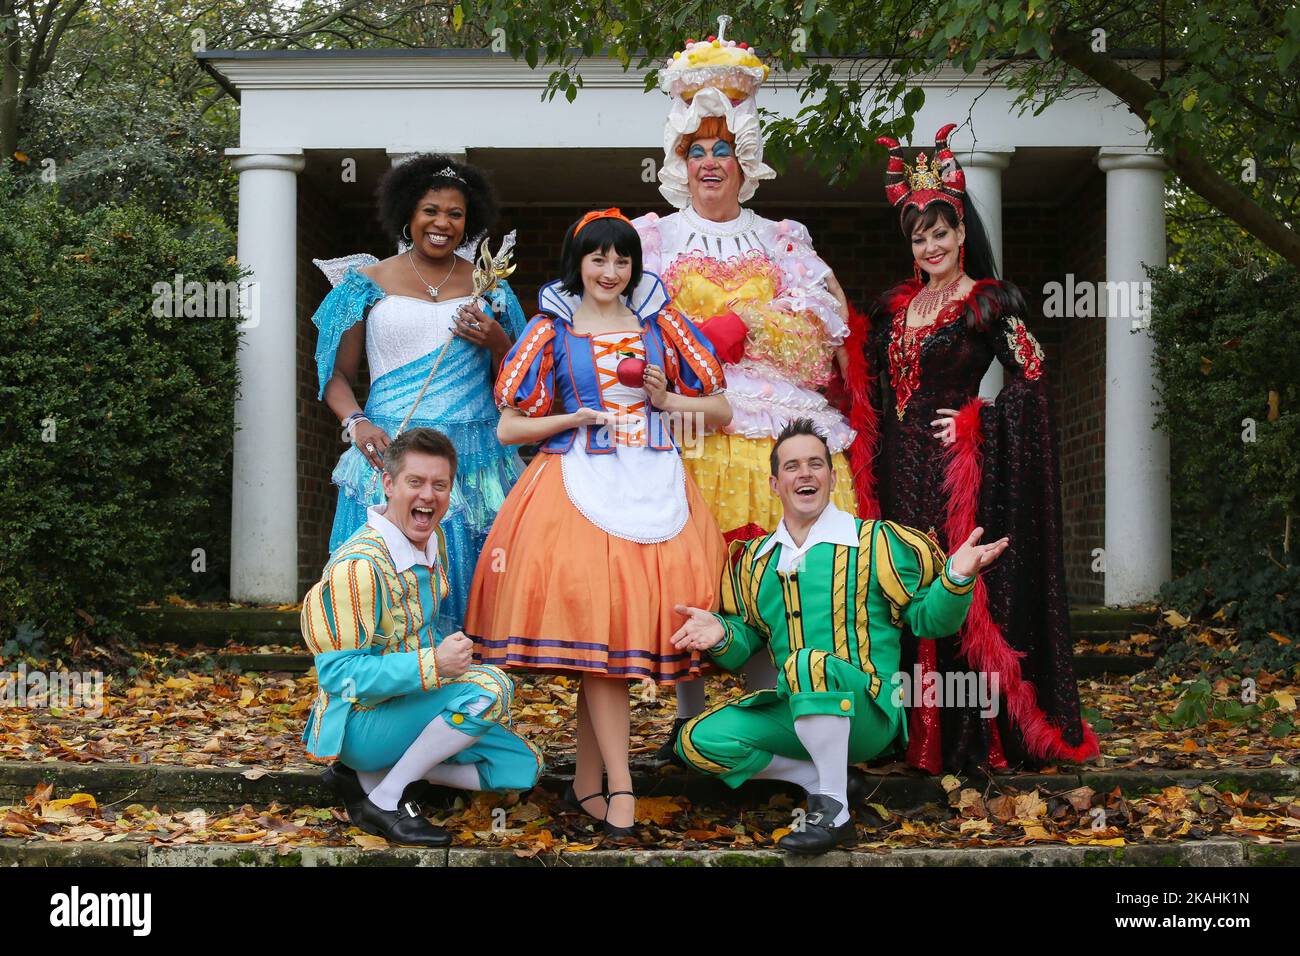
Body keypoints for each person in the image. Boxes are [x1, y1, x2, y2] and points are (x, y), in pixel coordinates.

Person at [632, 19, 868, 755]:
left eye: (722, 149)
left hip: (776, 430)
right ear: (679, 158)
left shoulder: (782, 238)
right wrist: (682, 352)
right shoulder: (651, 238)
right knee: (692, 577)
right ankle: (686, 722)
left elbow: (822, 329)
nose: (709, 162)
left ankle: (779, 718)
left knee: (777, 581)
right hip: (686, 427)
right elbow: (633, 322)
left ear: (745, 158)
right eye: (696, 150)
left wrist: (737, 323)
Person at [465, 209, 730, 836]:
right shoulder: (549, 329)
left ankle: (591, 782)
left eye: (622, 260)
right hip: (574, 488)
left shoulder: (661, 325)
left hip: (657, 485)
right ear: (577, 263)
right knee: (600, 642)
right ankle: (623, 789)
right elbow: (508, 427)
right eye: (597, 259)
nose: (610, 271)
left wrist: (667, 401)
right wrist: (571, 419)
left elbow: (718, 408)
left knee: (606, 642)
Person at [846, 123, 1099, 774]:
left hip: (955, 476)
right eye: (919, 235)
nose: (930, 244)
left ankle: (963, 742)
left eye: (941, 231)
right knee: (901, 586)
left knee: (953, 589)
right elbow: (869, 382)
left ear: (963, 235)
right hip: (897, 471)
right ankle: (907, 733)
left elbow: (1035, 376)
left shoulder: (985, 305)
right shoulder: (899, 310)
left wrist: (977, 422)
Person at [671, 418, 1008, 854]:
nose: (805, 473)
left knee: (808, 663)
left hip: (867, 711)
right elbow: (745, 644)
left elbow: (930, 622)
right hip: (796, 711)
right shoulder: (754, 560)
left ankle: (834, 813)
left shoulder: (877, 543)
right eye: (792, 467)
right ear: (775, 483)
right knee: (695, 741)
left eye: (816, 464)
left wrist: (956, 578)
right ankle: (821, 780)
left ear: (832, 477)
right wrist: (720, 633)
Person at [311, 153, 528, 636]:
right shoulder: (365, 283)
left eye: (455, 214)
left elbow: (523, 382)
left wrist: (497, 340)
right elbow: (336, 377)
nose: (442, 223)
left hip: (472, 463)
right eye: (431, 210)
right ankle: (385, 693)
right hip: (392, 449)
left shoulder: (489, 285)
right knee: (386, 593)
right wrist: (356, 422)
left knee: (469, 590)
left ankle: (464, 698)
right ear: (408, 213)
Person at [300, 428, 542, 848]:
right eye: (415, 482)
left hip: (412, 706)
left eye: (439, 485)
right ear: (388, 484)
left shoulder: (435, 541)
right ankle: (387, 800)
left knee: (523, 767)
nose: (427, 495)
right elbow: (339, 678)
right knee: (491, 687)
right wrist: (434, 664)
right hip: (361, 721)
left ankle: (379, 779)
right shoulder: (358, 568)